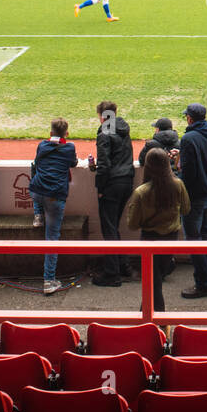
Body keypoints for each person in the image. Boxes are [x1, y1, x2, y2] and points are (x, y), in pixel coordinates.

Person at [126, 147, 191, 312]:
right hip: (171, 238)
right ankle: (152, 320)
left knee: (153, 283)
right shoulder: (178, 184)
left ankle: (156, 322)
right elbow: (186, 210)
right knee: (155, 281)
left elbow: (132, 224)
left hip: (149, 239)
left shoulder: (141, 192)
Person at [177, 103, 207, 299]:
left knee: (193, 240)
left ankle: (204, 283)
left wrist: (177, 169)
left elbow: (188, 172)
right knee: (206, 233)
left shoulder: (188, 139)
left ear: (189, 118)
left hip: (194, 197)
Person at [28, 117, 78, 295]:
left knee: (34, 174)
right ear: (67, 134)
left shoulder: (42, 146)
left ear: (50, 133)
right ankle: (49, 280)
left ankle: (37, 215)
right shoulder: (69, 147)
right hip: (54, 197)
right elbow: (73, 163)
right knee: (52, 238)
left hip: (37, 192)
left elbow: (37, 164)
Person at [89, 100, 135, 287]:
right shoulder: (123, 129)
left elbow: (105, 165)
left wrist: (100, 188)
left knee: (109, 228)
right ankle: (122, 264)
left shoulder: (104, 132)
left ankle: (112, 273)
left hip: (112, 185)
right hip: (127, 181)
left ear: (101, 116)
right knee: (113, 227)